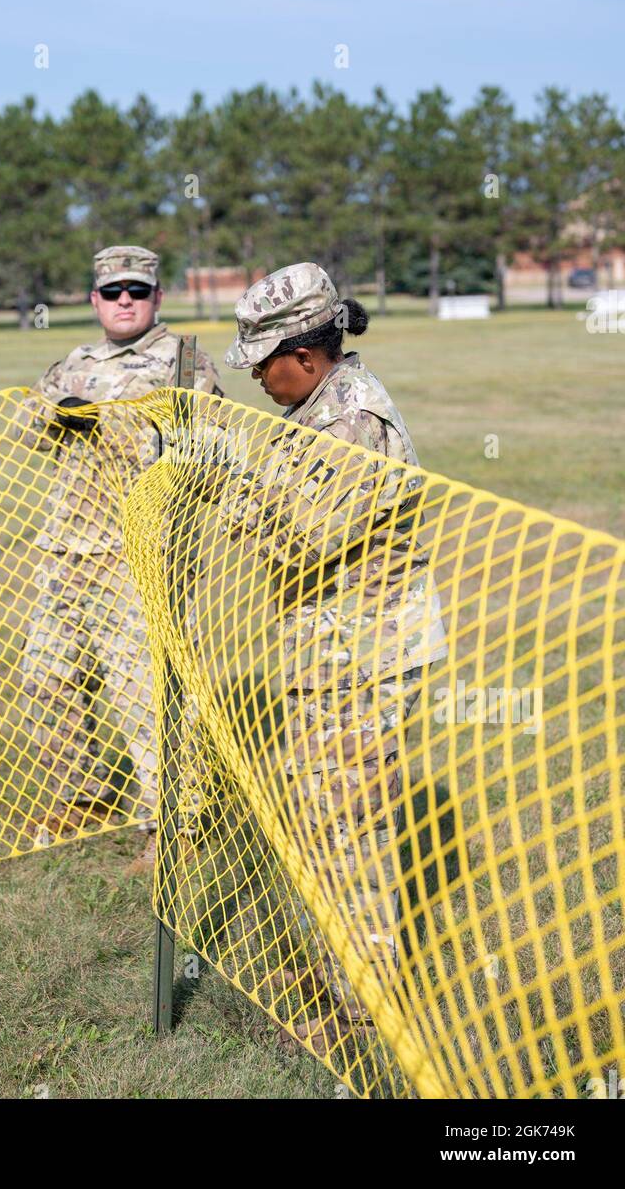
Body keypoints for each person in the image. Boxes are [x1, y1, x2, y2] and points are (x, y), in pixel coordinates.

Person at [218, 262, 446, 1049]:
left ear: (306, 356)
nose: (253, 377)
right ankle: (334, 967)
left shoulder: (350, 421)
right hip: (333, 649)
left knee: (347, 826)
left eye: (261, 362)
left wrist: (236, 495)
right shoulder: (315, 406)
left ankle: (360, 1008)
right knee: (320, 815)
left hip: (366, 655)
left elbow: (302, 544)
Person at [15, 245, 222, 872]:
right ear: (94, 300)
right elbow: (27, 428)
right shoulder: (74, 363)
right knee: (45, 679)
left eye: (137, 290)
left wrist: (130, 429)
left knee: (144, 695)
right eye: (112, 291)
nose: (124, 300)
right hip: (64, 550)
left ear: (158, 297)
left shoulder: (182, 362)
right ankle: (79, 792)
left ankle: (172, 825)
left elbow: (208, 446)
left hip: (136, 554)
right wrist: (58, 415)